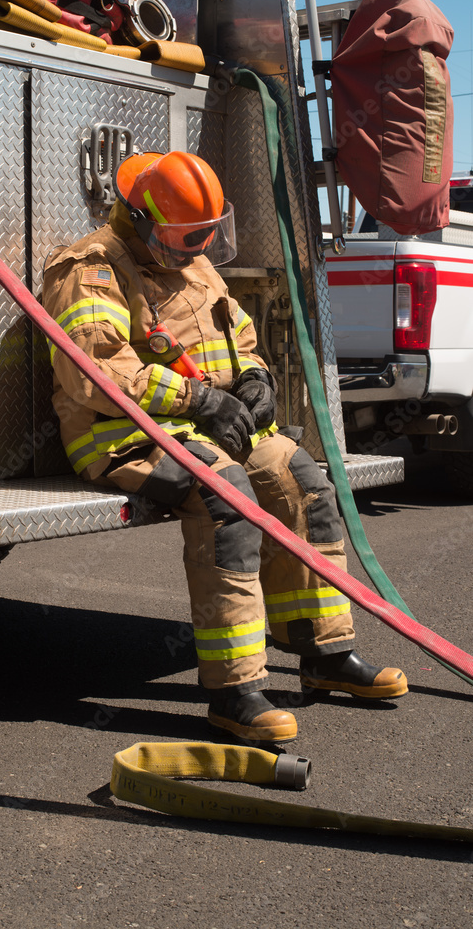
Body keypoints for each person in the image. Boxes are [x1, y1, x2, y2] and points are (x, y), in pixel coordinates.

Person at [42, 150, 408, 744]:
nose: (194, 252)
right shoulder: (91, 269)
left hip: (208, 426)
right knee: (226, 500)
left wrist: (255, 380)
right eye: (183, 239)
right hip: (123, 433)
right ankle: (234, 692)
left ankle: (324, 654)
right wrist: (200, 402)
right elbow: (95, 374)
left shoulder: (195, 262)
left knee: (301, 479)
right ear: (139, 220)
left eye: (205, 237)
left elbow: (239, 336)